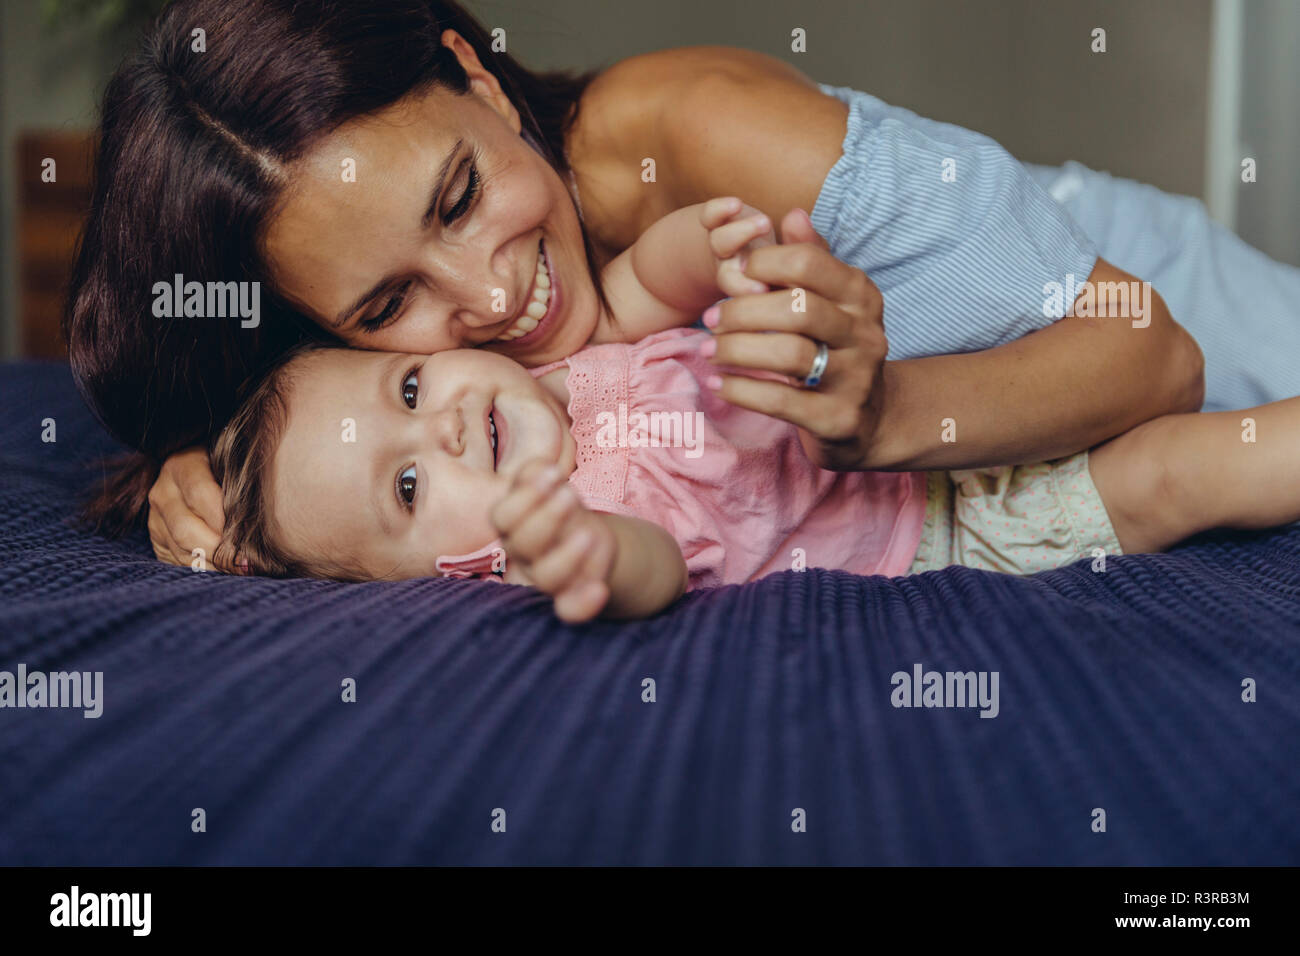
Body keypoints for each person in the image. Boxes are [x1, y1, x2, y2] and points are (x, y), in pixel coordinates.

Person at [86, 0, 1299, 574]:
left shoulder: (709, 147)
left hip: (1133, 297)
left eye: (457, 198)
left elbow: (1161, 360)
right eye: (384, 307)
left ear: (477, 77)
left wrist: (878, 416)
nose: (492, 297)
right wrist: (207, 473)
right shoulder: (413, 395)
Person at [205, 197, 1300, 622]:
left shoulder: (563, 371)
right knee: (1184, 470)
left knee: (1194, 427)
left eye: (405, 387)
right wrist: (576, 548)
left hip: (946, 409)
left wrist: (712, 249)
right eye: (407, 485)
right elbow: (657, 567)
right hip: (959, 528)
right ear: (449, 572)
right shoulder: (563, 527)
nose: (436, 425)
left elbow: (647, 285)